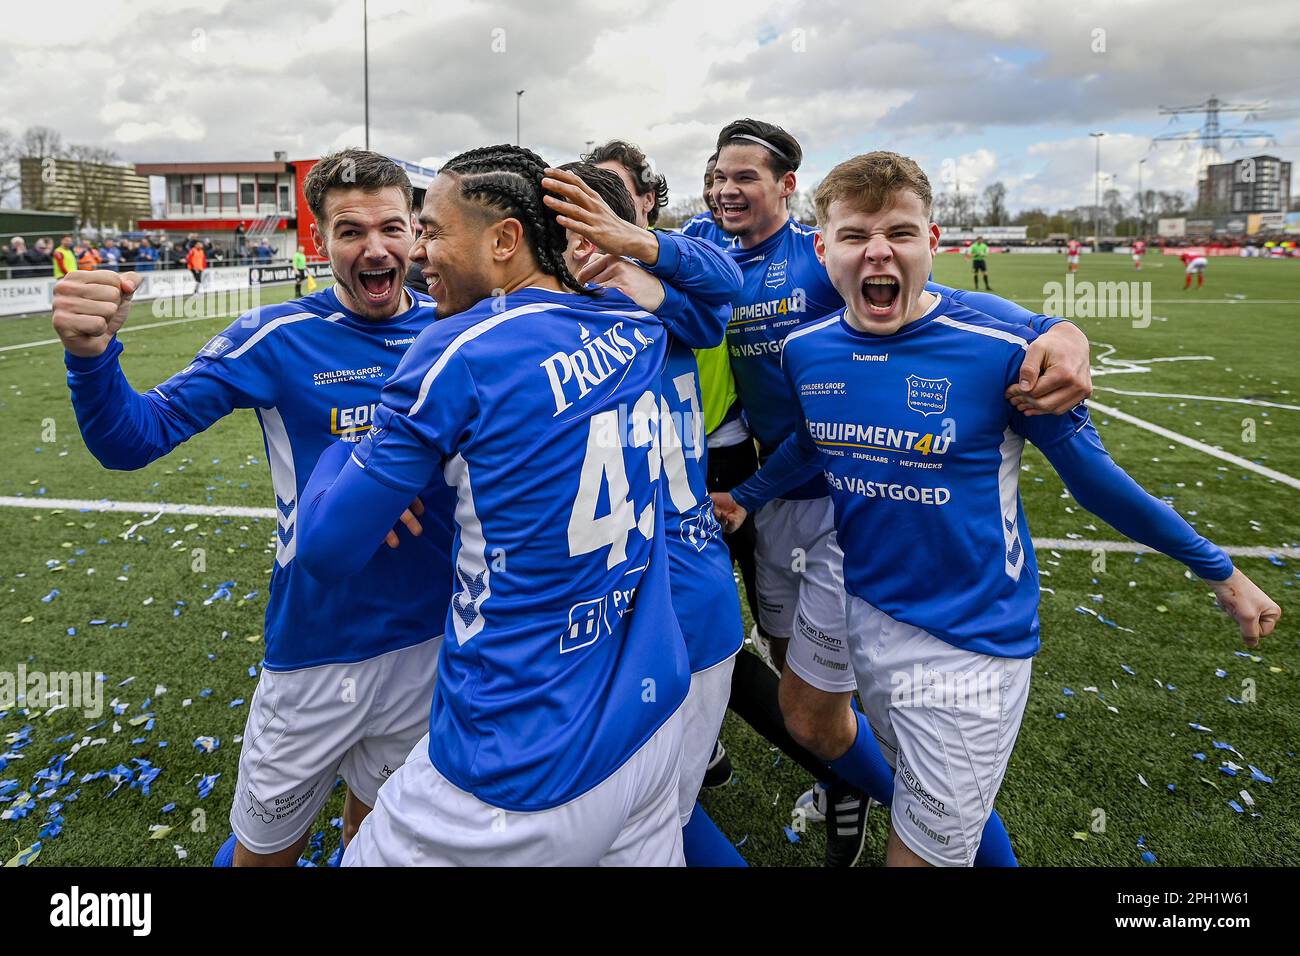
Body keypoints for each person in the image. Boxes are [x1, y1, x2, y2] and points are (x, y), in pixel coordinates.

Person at [712, 150, 1281, 867]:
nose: (878, 250)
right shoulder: (807, 349)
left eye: (900, 232)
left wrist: (1220, 570)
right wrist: (748, 496)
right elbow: (813, 445)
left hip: (965, 640)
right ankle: (922, 805)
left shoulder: (1003, 349)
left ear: (933, 243)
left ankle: (937, 818)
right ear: (823, 248)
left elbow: (1096, 481)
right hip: (850, 585)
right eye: (855, 235)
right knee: (807, 718)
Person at [297, 144, 727, 866]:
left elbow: (328, 552)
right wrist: (645, 244)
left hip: (513, 762)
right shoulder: (631, 322)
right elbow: (719, 292)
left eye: (433, 231)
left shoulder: (456, 349)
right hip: (646, 732)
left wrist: (336, 451)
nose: (418, 253)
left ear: (505, 240)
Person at [708, 117, 1094, 866]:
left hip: (847, 502)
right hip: (774, 494)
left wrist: (1061, 327)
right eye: (718, 175)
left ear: (788, 186)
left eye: (746, 175)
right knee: (797, 680)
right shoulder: (715, 253)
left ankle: (874, 793)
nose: (728, 189)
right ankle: (849, 770)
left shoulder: (825, 256)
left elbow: (937, 299)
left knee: (864, 708)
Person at [52, 148, 451, 868]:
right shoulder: (273, 338)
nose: (375, 248)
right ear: (319, 239)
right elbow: (132, 439)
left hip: (429, 640)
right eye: (350, 231)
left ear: (415, 234)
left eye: (392, 228)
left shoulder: (454, 333)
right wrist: (91, 357)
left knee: (384, 838)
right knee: (266, 855)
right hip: (315, 651)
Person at [544, 158, 746, 864]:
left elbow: (723, 285)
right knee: (638, 819)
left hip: (680, 593)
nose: (585, 245)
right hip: (614, 603)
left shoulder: (663, 306)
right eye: (569, 229)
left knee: (656, 821)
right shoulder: (550, 318)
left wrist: (630, 253)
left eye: (602, 222)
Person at [681, 152, 730, 248]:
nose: (712, 192)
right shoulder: (694, 228)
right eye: (708, 183)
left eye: (722, 181)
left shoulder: (762, 234)